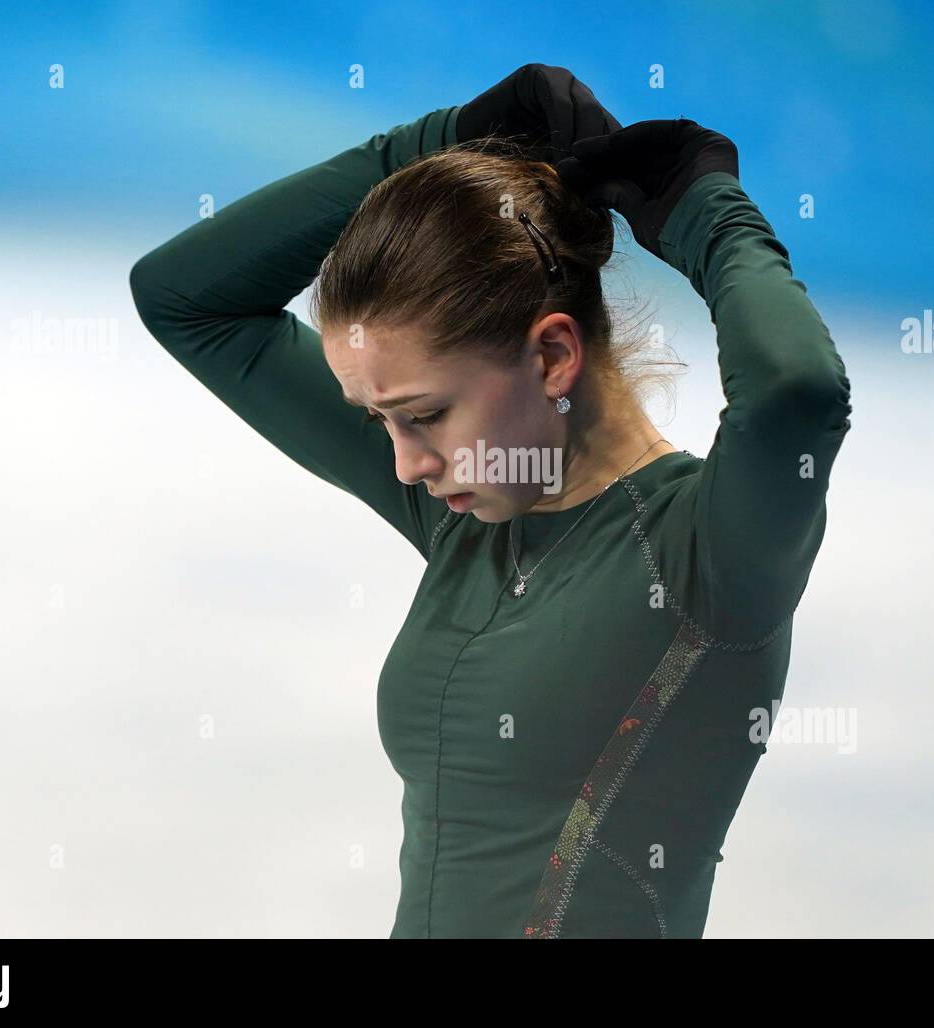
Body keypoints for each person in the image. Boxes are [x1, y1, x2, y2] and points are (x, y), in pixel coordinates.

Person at [129, 64, 852, 938]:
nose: (403, 466)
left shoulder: (706, 553)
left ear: (552, 356)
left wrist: (701, 206)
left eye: (426, 414)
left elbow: (795, 391)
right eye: (380, 420)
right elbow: (183, 299)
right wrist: (436, 142)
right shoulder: (468, 516)